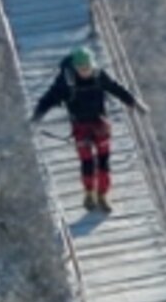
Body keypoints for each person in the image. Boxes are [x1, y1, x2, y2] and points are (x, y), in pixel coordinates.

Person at [32, 46, 141, 212]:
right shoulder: (66, 81)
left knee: (104, 161)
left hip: (100, 123)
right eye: (81, 68)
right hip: (80, 125)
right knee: (87, 161)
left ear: (93, 65)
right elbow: (50, 97)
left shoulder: (99, 76)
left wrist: (133, 102)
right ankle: (89, 193)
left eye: (88, 67)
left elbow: (115, 88)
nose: (85, 71)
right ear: (75, 68)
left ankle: (102, 195)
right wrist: (38, 115)